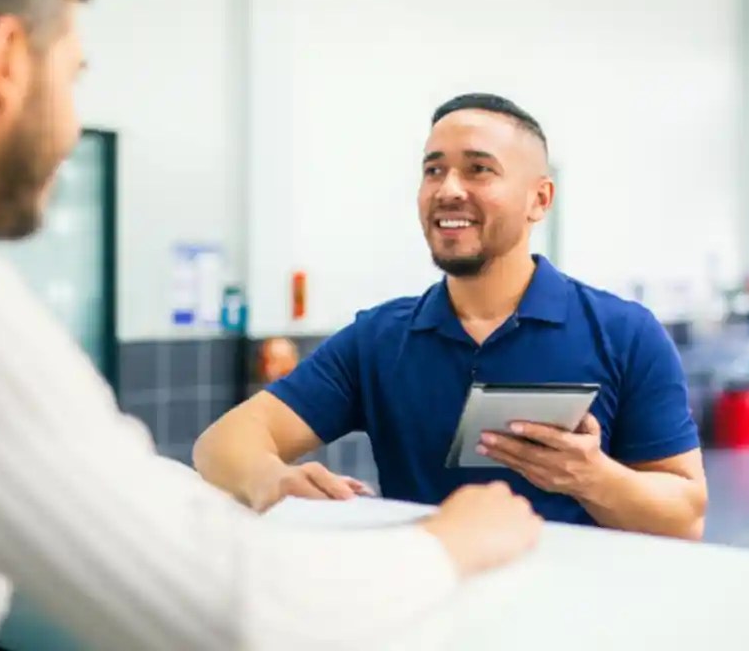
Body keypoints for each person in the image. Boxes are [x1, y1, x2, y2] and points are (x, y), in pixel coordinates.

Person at [0, 0, 541, 650]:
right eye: (72, 75)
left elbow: (102, 482)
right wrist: (450, 542)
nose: (72, 120)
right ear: (6, 61)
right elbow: (233, 607)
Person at [194, 93, 709, 539]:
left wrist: (591, 476)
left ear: (539, 199)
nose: (448, 189)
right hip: (425, 608)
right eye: (433, 169)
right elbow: (222, 443)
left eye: (479, 169)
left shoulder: (625, 334)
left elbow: (685, 518)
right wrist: (271, 480)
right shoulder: (377, 340)